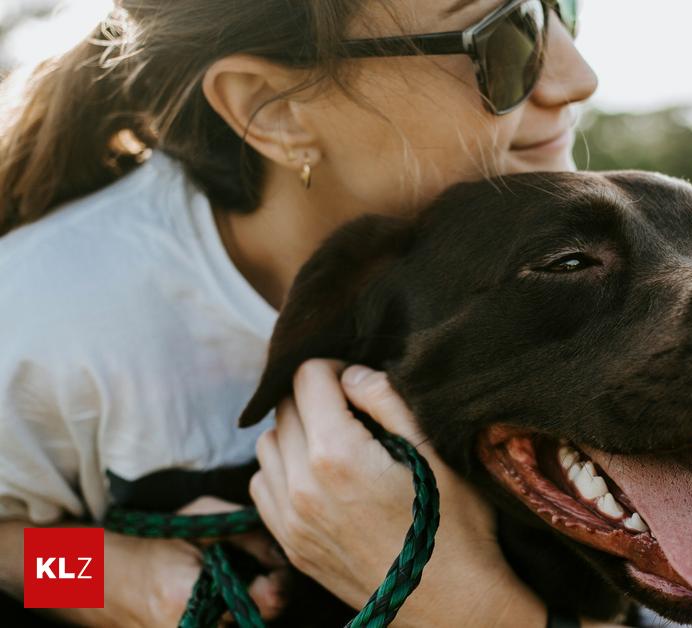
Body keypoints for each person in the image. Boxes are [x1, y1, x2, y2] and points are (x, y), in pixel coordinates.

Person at [0, 0, 607, 625]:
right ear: (274, 110)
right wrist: (110, 577)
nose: (577, 75)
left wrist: (462, 600)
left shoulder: (570, 275)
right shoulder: (42, 313)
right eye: (508, 35)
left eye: (558, 6)